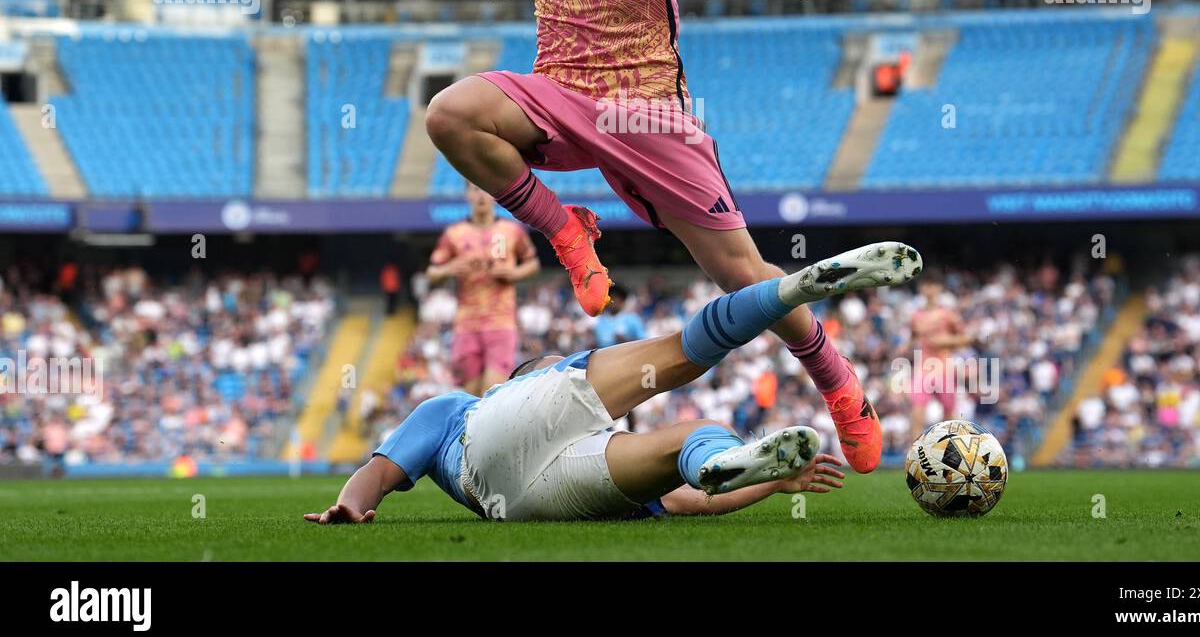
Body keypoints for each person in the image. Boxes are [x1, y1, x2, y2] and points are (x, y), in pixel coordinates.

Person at [344, 0, 888, 474]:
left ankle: (837, 381)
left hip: (645, 103)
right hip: (559, 88)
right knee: (450, 113)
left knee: (743, 274)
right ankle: (567, 231)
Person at [305, 240, 921, 523]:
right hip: (512, 449)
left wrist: (771, 482)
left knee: (693, 444)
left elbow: (689, 497)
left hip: (522, 503)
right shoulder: (463, 404)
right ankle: (787, 291)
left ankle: (727, 454)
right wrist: (356, 498)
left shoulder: (444, 415)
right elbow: (379, 471)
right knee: (680, 355)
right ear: (524, 376)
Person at [426, 184, 540, 396]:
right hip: (466, 324)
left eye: (485, 188)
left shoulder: (511, 230)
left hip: (501, 321)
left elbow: (532, 264)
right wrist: (450, 268)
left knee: (492, 392)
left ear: (494, 195)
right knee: (468, 396)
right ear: (467, 194)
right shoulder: (454, 234)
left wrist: (513, 273)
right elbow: (432, 272)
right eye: (475, 189)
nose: (481, 194)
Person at [908, 280, 972, 437]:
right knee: (917, 412)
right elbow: (913, 339)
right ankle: (914, 454)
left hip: (944, 368)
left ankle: (948, 453)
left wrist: (946, 341)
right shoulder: (916, 316)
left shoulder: (948, 314)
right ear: (921, 288)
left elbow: (966, 338)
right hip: (923, 368)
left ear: (939, 287)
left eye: (932, 284)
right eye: (926, 284)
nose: (929, 288)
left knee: (949, 415)